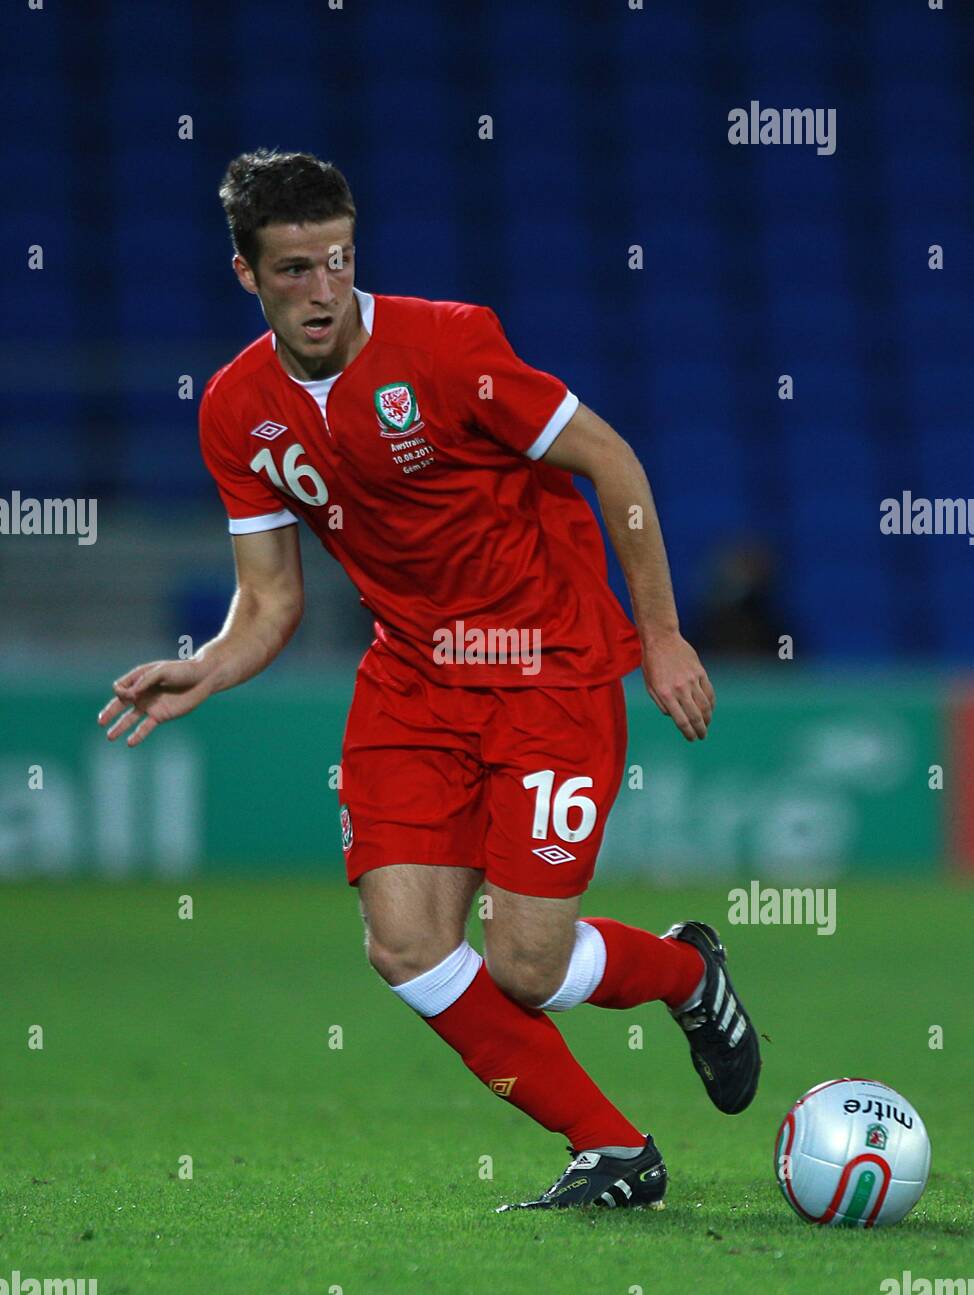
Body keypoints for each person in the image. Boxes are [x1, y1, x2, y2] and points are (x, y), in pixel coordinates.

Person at [97, 149, 760, 1211]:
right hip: (413, 679)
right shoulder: (235, 410)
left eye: (336, 261)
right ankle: (613, 1150)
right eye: (293, 271)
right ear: (245, 274)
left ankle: (686, 975)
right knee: (404, 944)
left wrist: (665, 635)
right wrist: (208, 667)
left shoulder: (450, 347)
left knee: (526, 965)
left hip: (546, 665)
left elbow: (613, 462)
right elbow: (269, 601)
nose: (321, 291)